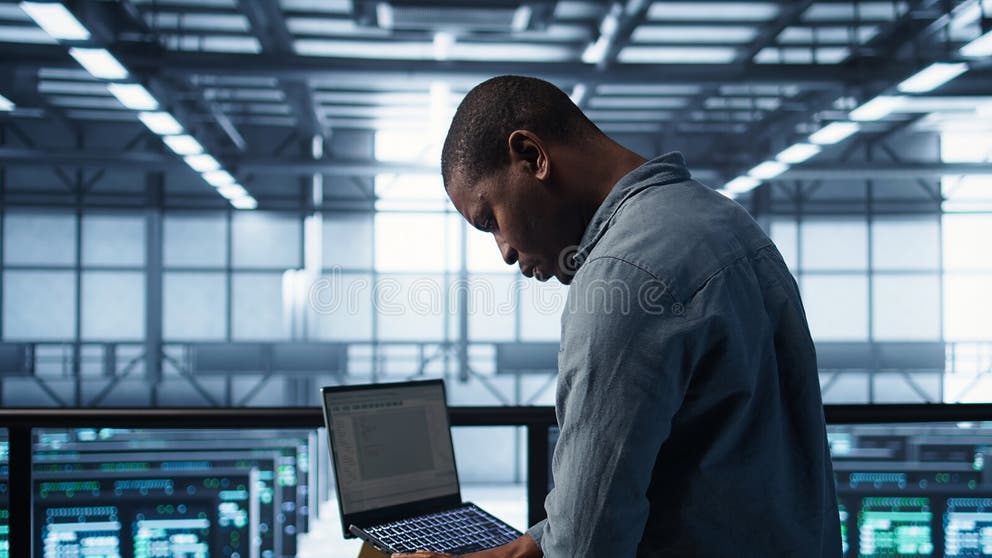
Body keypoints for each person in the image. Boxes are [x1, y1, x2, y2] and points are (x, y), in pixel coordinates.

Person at [393, 75, 841, 558]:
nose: (504, 251)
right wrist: (516, 550)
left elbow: (585, 549)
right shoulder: (726, 222)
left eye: (490, 221)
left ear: (531, 156)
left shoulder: (620, 281)